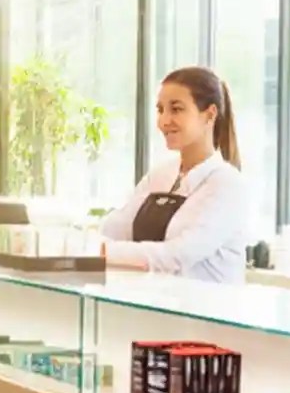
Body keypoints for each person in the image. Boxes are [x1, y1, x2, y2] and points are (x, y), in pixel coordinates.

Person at [100, 66, 248, 283]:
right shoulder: (160, 175)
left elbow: (178, 255)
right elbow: (117, 227)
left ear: (209, 114)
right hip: (156, 307)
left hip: (207, 313)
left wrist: (103, 251)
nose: (164, 121)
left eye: (176, 109)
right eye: (160, 110)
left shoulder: (227, 184)